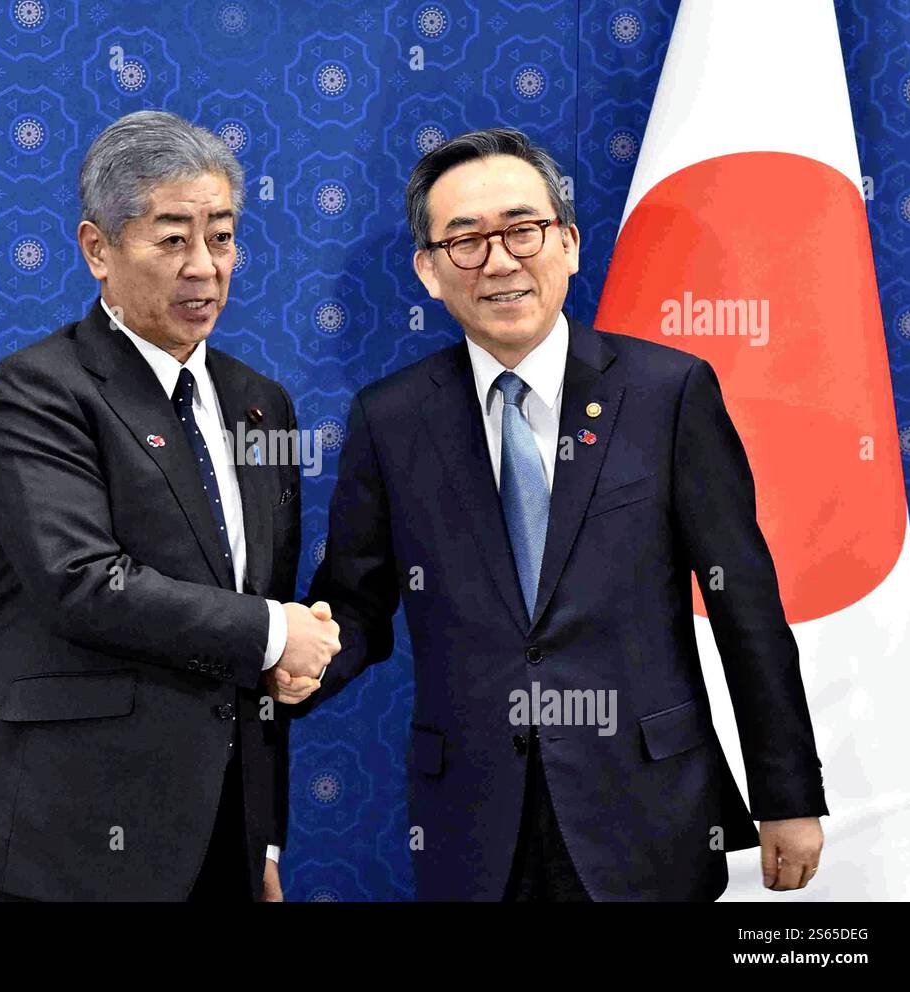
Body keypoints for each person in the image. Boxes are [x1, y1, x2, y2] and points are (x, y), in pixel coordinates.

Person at [297, 127, 826, 901]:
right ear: (429, 271)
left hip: (648, 809)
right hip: (473, 822)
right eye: (465, 241)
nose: (500, 259)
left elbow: (744, 605)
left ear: (569, 243)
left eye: (523, 229)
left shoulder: (667, 394)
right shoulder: (391, 418)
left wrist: (789, 795)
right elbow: (359, 602)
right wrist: (289, 659)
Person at [0, 111, 337, 901]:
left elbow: (255, 615)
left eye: (221, 237)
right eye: (172, 237)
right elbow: (82, 582)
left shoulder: (262, 406)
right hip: (62, 840)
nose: (204, 268)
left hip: (222, 841)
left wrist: (265, 837)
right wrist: (279, 632)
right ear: (97, 250)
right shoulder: (40, 388)